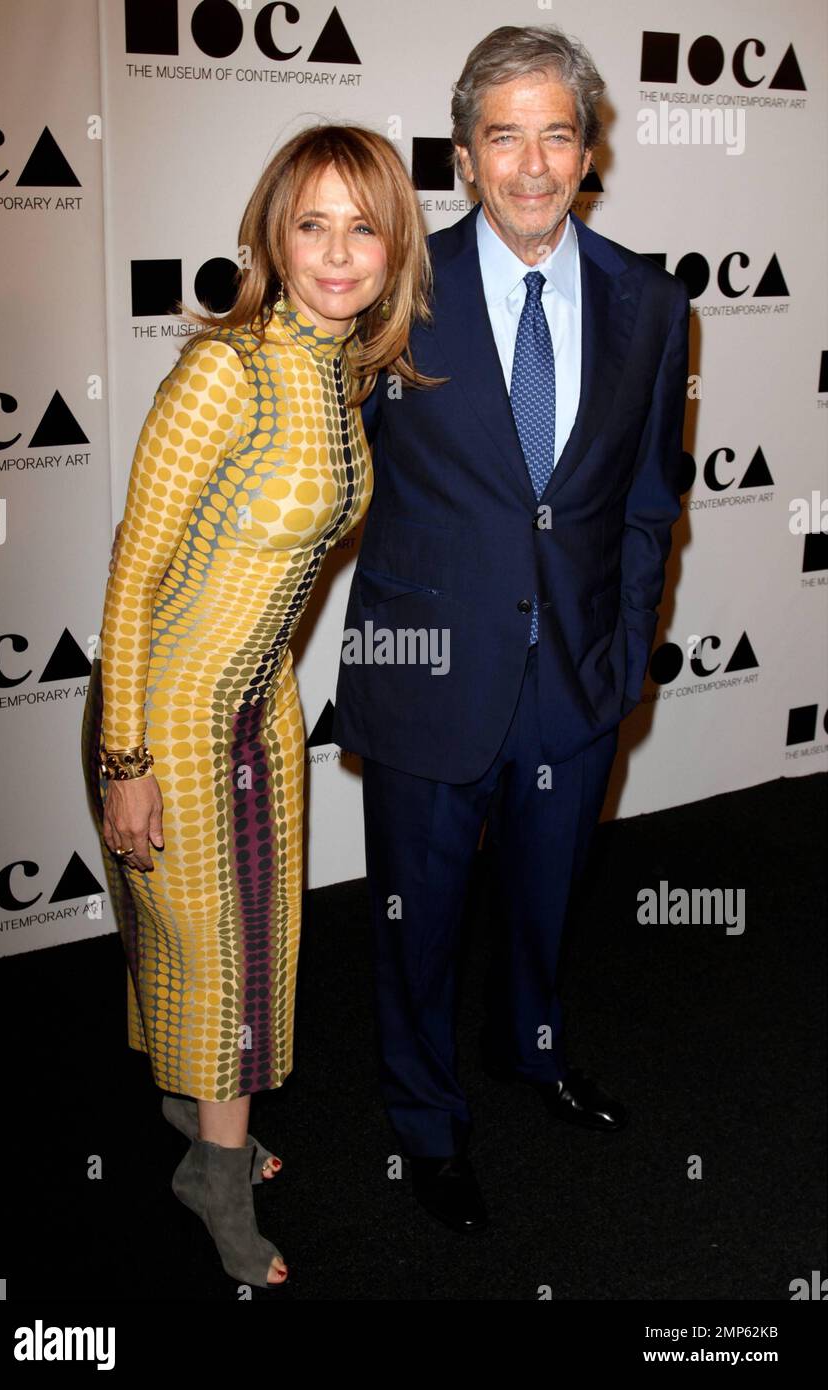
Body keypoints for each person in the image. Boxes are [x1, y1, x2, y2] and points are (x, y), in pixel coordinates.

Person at [333, 25, 691, 1232]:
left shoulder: (654, 302)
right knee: (416, 918)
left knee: (548, 898)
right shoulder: (389, 291)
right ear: (464, 154)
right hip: (427, 669)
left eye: (557, 133)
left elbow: (651, 498)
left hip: (577, 680)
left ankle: (529, 1051)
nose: (533, 164)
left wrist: (624, 649)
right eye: (506, 136)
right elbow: (326, 477)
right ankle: (426, 1121)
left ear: (588, 149)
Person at [81, 123, 438, 1286]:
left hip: (263, 706)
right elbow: (134, 576)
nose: (338, 253)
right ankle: (215, 1179)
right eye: (311, 224)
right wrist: (125, 757)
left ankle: (200, 1117)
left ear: (394, 245)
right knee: (219, 959)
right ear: (274, 237)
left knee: (240, 945)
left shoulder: (343, 372)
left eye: (363, 226)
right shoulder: (222, 370)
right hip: (169, 707)